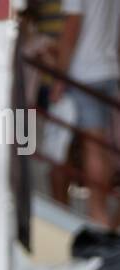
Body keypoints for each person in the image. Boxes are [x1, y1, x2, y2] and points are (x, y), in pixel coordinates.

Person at [51, 0, 120, 227]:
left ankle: (98, 214)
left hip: (84, 73)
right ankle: (104, 216)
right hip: (108, 68)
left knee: (93, 146)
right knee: (102, 147)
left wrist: (59, 78)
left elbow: (72, 28)